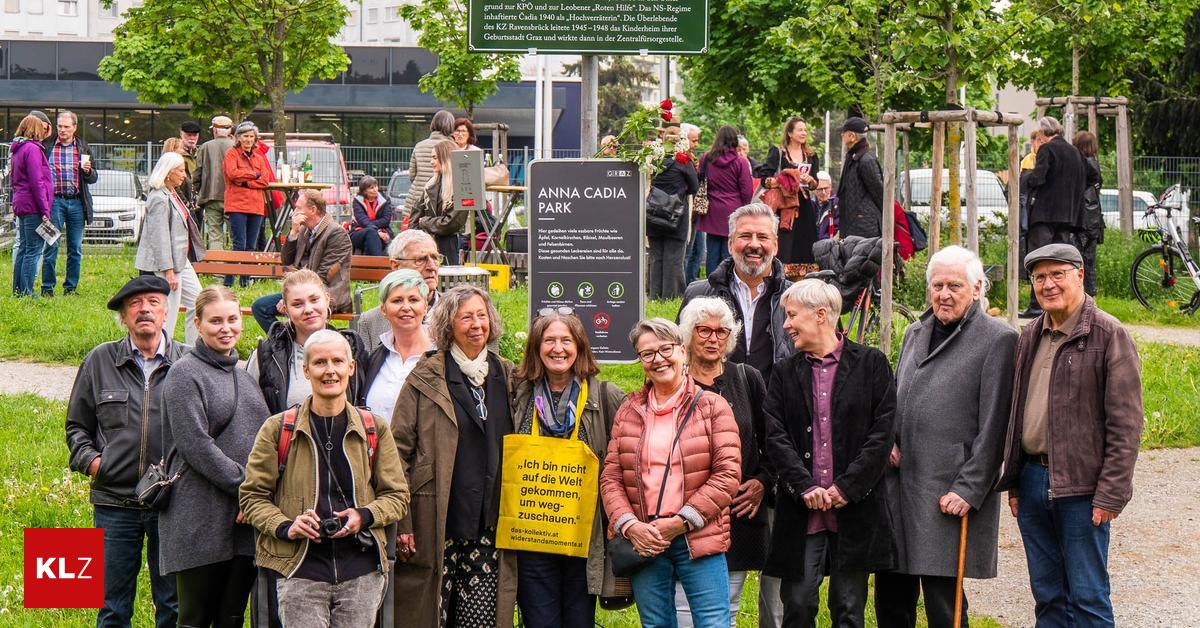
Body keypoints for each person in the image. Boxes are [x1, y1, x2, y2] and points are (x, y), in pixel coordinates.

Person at [996, 243, 1144, 627]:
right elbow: (1017, 413)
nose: (1048, 284)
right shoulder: (1030, 334)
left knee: (1088, 596)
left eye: (1057, 274)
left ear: (1079, 274)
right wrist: (1014, 483)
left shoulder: (1109, 335)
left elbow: (1126, 425)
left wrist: (1111, 493)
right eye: (1039, 277)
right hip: (1031, 480)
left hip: (1082, 489)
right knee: (1047, 597)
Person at [874, 246, 1017, 628]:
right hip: (899, 489)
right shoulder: (916, 332)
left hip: (947, 493)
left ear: (977, 288)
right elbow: (897, 397)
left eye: (955, 285)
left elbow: (996, 427)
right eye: (937, 285)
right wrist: (887, 439)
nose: (944, 294)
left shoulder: (997, 339)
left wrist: (970, 489)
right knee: (891, 599)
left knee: (944, 606)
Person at [239, 330, 411, 628]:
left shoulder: (374, 429)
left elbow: (397, 496)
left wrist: (363, 516)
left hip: (361, 569)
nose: (329, 370)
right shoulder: (278, 429)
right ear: (306, 371)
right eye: (320, 363)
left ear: (351, 367)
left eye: (337, 361)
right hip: (300, 569)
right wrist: (287, 526)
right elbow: (253, 497)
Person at [763, 278, 897, 628]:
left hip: (854, 510)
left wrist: (846, 488)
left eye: (792, 316)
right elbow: (776, 437)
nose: (786, 324)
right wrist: (805, 487)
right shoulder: (783, 373)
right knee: (798, 604)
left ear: (821, 315)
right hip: (801, 512)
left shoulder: (872, 365)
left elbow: (881, 435)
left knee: (849, 609)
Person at [600, 317, 740, 628]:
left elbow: (727, 474)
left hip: (698, 536)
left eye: (665, 349)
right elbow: (611, 477)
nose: (658, 359)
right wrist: (630, 525)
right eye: (647, 353)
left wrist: (680, 522)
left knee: (714, 623)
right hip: (646, 540)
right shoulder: (629, 410)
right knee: (656, 624)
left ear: (683, 352)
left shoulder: (713, 407)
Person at [390, 285, 518, 627]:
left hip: (489, 525)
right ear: (449, 325)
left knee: (480, 619)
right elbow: (397, 452)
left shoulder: (507, 375)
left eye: (482, 315)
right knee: (431, 616)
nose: (477, 324)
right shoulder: (426, 376)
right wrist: (402, 521)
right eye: (466, 317)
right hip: (436, 519)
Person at [65, 276, 186, 628]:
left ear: (167, 312)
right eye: (134, 304)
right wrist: (95, 464)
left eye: (152, 302)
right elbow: (76, 426)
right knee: (113, 607)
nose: (144, 309)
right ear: (123, 317)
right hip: (114, 503)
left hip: (172, 505)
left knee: (174, 606)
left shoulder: (187, 363)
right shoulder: (100, 360)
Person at [159, 285, 271, 627]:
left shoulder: (243, 376)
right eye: (216, 321)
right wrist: (248, 489)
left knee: (232, 615)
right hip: (199, 514)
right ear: (198, 323)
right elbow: (196, 445)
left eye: (233, 319)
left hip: (242, 519)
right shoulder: (184, 374)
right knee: (194, 618)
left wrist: (252, 498)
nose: (226, 328)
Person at [512, 309, 625, 628]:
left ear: (580, 347)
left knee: (579, 621)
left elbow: (625, 459)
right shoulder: (519, 393)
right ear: (536, 347)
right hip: (532, 534)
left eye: (566, 340)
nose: (557, 348)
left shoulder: (605, 397)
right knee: (539, 622)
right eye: (549, 340)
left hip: (584, 536)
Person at [675, 298, 773, 628]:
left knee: (725, 610)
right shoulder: (673, 383)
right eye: (703, 330)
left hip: (737, 517)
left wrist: (763, 480)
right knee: (683, 609)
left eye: (721, 331)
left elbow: (773, 439)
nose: (713, 338)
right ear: (688, 334)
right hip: (683, 516)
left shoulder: (747, 379)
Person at [680, 203, 795, 381]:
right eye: (745, 236)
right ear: (730, 244)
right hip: (715, 404)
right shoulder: (698, 294)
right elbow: (680, 356)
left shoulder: (796, 299)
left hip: (778, 406)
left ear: (775, 245)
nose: (754, 244)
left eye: (763, 237)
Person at [247, 269, 369, 415]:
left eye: (314, 300)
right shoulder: (266, 355)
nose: (308, 309)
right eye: (297, 304)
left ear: (327, 299)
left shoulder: (352, 348)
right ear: (286, 310)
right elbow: (249, 411)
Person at [251, 190, 353, 333]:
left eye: (298, 208)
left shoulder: (336, 234)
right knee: (260, 307)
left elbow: (325, 276)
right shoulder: (304, 229)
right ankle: (286, 342)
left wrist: (291, 298)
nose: (294, 212)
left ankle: (304, 343)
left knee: (300, 311)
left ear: (312, 210)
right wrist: (293, 233)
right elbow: (286, 260)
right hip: (301, 290)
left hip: (327, 293)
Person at [135, 152, 203, 345]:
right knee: (169, 311)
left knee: (198, 303)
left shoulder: (172, 193)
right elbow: (160, 238)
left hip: (181, 260)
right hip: (168, 264)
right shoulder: (159, 197)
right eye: (180, 171)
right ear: (167, 173)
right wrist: (168, 271)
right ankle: (163, 352)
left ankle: (193, 350)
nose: (184, 175)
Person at [1023, 117, 1086, 315]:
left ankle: (1036, 306)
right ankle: (1065, 303)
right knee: (1062, 263)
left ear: (1043, 133)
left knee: (1039, 259)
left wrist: (1025, 175)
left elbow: (1038, 178)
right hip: (1068, 216)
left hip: (1044, 214)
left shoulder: (1046, 150)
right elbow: (1089, 178)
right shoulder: (1075, 152)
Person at [362, 269, 435, 423]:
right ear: (384, 310)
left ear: (425, 306)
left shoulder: (440, 355)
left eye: (414, 300)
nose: (406, 307)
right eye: (397, 300)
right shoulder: (375, 359)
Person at [41, 110, 98, 296]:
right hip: (53, 203)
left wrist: (88, 172)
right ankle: (47, 288)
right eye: (60, 126)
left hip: (76, 204)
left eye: (66, 127)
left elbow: (93, 178)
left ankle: (70, 288)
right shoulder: (47, 145)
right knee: (51, 245)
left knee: (75, 248)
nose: (62, 130)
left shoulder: (83, 147)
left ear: (75, 127)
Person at [356, 229, 443, 352]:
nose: (432, 267)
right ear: (396, 266)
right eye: (420, 260)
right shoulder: (371, 322)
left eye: (435, 258)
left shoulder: (455, 314)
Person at [755, 116, 821, 265]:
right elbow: (764, 178)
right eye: (800, 130)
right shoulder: (778, 153)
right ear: (790, 133)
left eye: (805, 130)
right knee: (785, 246)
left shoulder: (811, 156)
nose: (804, 133)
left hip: (804, 206)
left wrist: (810, 180)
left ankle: (803, 282)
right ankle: (780, 279)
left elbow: (814, 183)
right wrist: (781, 180)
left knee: (805, 247)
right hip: (784, 206)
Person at [696, 126, 755, 276]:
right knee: (730, 252)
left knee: (712, 253)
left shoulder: (706, 158)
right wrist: (744, 208)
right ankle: (727, 286)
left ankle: (711, 285)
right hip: (734, 210)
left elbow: (700, 180)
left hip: (712, 210)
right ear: (735, 141)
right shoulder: (740, 162)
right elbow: (747, 190)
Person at [649, 127, 700, 300]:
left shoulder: (654, 160)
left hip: (654, 214)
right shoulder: (683, 161)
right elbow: (694, 187)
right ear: (680, 141)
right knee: (674, 259)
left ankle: (654, 295)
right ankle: (670, 297)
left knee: (657, 258)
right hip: (675, 216)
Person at [221, 121, 271, 287]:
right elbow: (233, 174)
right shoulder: (231, 154)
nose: (249, 139)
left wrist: (247, 182)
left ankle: (245, 281)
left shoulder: (259, 156)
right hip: (237, 205)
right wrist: (254, 174)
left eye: (251, 136)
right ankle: (229, 282)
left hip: (256, 206)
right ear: (238, 137)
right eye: (245, 136)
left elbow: (265, 180)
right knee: (239, 244)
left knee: (251, 246)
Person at [10, 114, 53, 297]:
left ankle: (18, 290)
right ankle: (27, 292)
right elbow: (37, 182)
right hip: (33, 205)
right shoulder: (33, 149)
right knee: (33, 251)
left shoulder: (17, 149)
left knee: (23, 249)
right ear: (36, 130)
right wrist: (45, 210)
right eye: (42, 129)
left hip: (21, 203)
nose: (44, 132)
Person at [408, 139, 466, 265]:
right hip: (427, 242)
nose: (431, 162)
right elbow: (416, 213)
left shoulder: (460, 186)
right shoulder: (431, 183)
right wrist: (416, 238)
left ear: (445, 157)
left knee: (447, 280)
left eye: (435, 158)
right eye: (431, 157)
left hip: (449, 243)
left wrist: (425, 222)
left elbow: (450, 223)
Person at [836, 117, 885, 240]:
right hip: (854, 223)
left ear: (852, 136)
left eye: (843, 133)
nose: (842, 136)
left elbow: (880, 193)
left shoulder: (866, 159)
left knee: (862, 258)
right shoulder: (854, 157)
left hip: (864, 226)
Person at [194, 115, 235, 249]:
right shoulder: (236, 147)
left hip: (210, 197)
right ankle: (237, 267)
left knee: (214, 235)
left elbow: (197, 173)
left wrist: (197, 191)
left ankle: (217, 267)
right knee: (235, 235)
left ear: (215, 130)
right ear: (229, 130)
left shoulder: (205, 147)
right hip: (233, 199)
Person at [406, 110, 456, 214]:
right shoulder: (452, 147)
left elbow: (412, 175)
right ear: (451, 126)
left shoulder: (419, 145)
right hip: (441, 201)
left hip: (416, 199)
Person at [1073, 131, 1104, 297]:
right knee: (1089, 261)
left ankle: (1084, 295)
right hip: (1093, 219)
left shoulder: (1082, 164)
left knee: (1079, 259)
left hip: (1084, 220)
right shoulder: (1094, 163)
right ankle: (1090, 295)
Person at [680, 123, 707, 284]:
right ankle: (683, 286)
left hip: (697, 209)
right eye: (694, 140)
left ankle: (690, 283)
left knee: (698, 250)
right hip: (689, 208)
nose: (696, 144)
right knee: (688, 251)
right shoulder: (682, 159)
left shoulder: (692, 158)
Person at [350, 175, 395, 256]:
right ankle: (378, 265)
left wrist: (375, 230)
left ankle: (370, 266)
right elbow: (362, 221)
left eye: (376, 186)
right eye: (371, 188)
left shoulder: (385, 200)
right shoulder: (357, 201)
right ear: (364, 191)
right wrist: (377, 231)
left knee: (372, 239)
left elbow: (386, 220)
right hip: (359, 232)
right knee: (371, 233)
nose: (375, 190)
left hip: (383, 232)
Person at [814, 172, 838, 240]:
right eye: (820, 189)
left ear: (830, 187)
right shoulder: (811, 204)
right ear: (814, 190)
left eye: (826, 188)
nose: (823, 192)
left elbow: (836, 229)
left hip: (829, 244)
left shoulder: (837, 204)